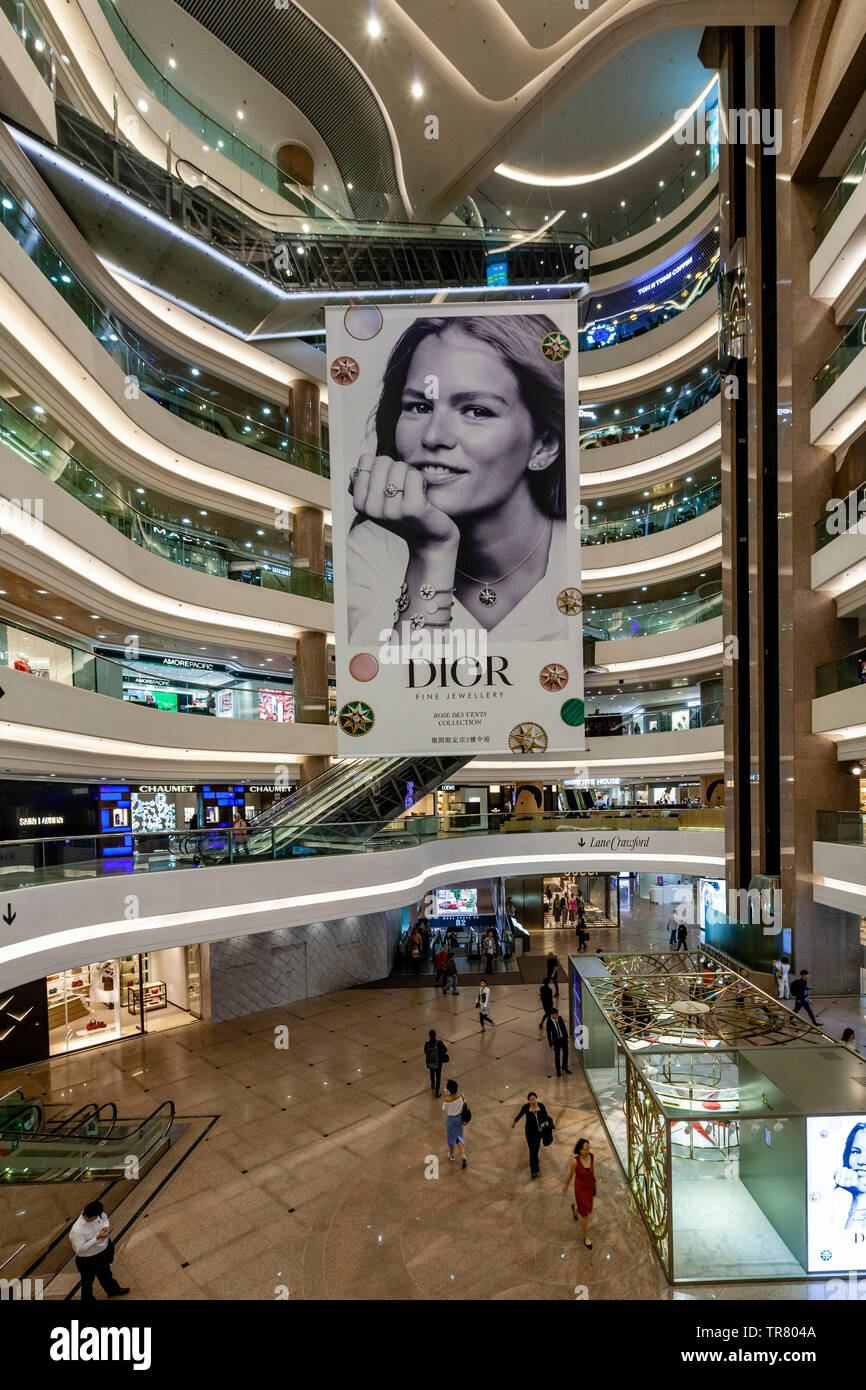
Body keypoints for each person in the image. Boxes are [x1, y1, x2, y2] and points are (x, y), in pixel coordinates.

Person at [345, 312, 568, 646]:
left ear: (543, 445)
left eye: (477, 411)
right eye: (419, 407)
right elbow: (399, 693)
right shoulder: (370, 552)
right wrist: (432, 552)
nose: (434, 436)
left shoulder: (574, 555)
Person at [70, 1201, 129, 1301]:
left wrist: (106, 1225)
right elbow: (79, 1249)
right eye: (96, 1216)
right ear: (89, 1217)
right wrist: (96, 1238)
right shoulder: (77, 1230)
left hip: (102, 1253)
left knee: (106, 1274)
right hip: (88, 1260)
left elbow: (105, 1218)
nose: (99, 1217)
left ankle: (113, 1290)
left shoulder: (98, 1214)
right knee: (87, 1282)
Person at [563, 1139, 596, 1249]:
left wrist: (595, 1184)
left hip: (589, 1188)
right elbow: (570, 1175)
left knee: (586, 1208)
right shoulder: (575, 1162)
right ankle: (586, 1237)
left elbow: (592, 1172)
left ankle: (575, 1208)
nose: (587, 1150)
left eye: (588, 1148)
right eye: (585, 1149)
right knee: (585, 1214)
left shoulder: (591, 1156)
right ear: (580, 1150)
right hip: (580, 1190)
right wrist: (566, 1185)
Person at [512, 1092, 552, 1179]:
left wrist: (545, 1125)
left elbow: (546, 1116)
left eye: (534, 1099)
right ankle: (534, 1171)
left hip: (539, 1132)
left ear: (536, 1098)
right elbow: (520, 1114)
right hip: (529, 1132)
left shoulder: (541, 1106)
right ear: (528, 1101)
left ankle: (535, 1159)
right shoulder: (526, 1107)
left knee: (536, 1148)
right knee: (532, 1150)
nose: (532, 1101)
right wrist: (514, 1121)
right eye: (530, 1099)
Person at [442, 1079, 468, 1168]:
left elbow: (444, 1108)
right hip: (459, 1119)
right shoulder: (461, 1096)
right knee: (459, 1137)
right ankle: (463, 1155)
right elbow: (465, 1103)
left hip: (451, 1120)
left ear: (449, 1090)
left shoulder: (447, 1100)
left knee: (451, 1138)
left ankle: (452, 1155)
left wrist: (446, 1096)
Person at [546, 1008, 571, 1076]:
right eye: (556, 1014)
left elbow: (563, 1028)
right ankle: (558, 1071)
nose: (558, 1015)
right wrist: (551, 1045)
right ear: (552, 1015)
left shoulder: (560, 1018)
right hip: (556, 1041)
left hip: (563, 1039)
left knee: (566, 1053)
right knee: (557, 1056)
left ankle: (565, 1068)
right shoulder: (549, 1022)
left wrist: (567, 1037)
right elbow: (549, 1035)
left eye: (558, 1014)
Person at [424, 1029, 448, 1097]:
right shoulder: (439, 1043)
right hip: (438, 1062)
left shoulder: (426, 1044)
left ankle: (432, 1084)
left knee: (431, 1072)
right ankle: (437, 1092)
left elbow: (425, 1052)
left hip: (430, 1061)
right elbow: (445, 1049)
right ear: (435, 1035)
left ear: (429, 1035)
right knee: (438, 1076)